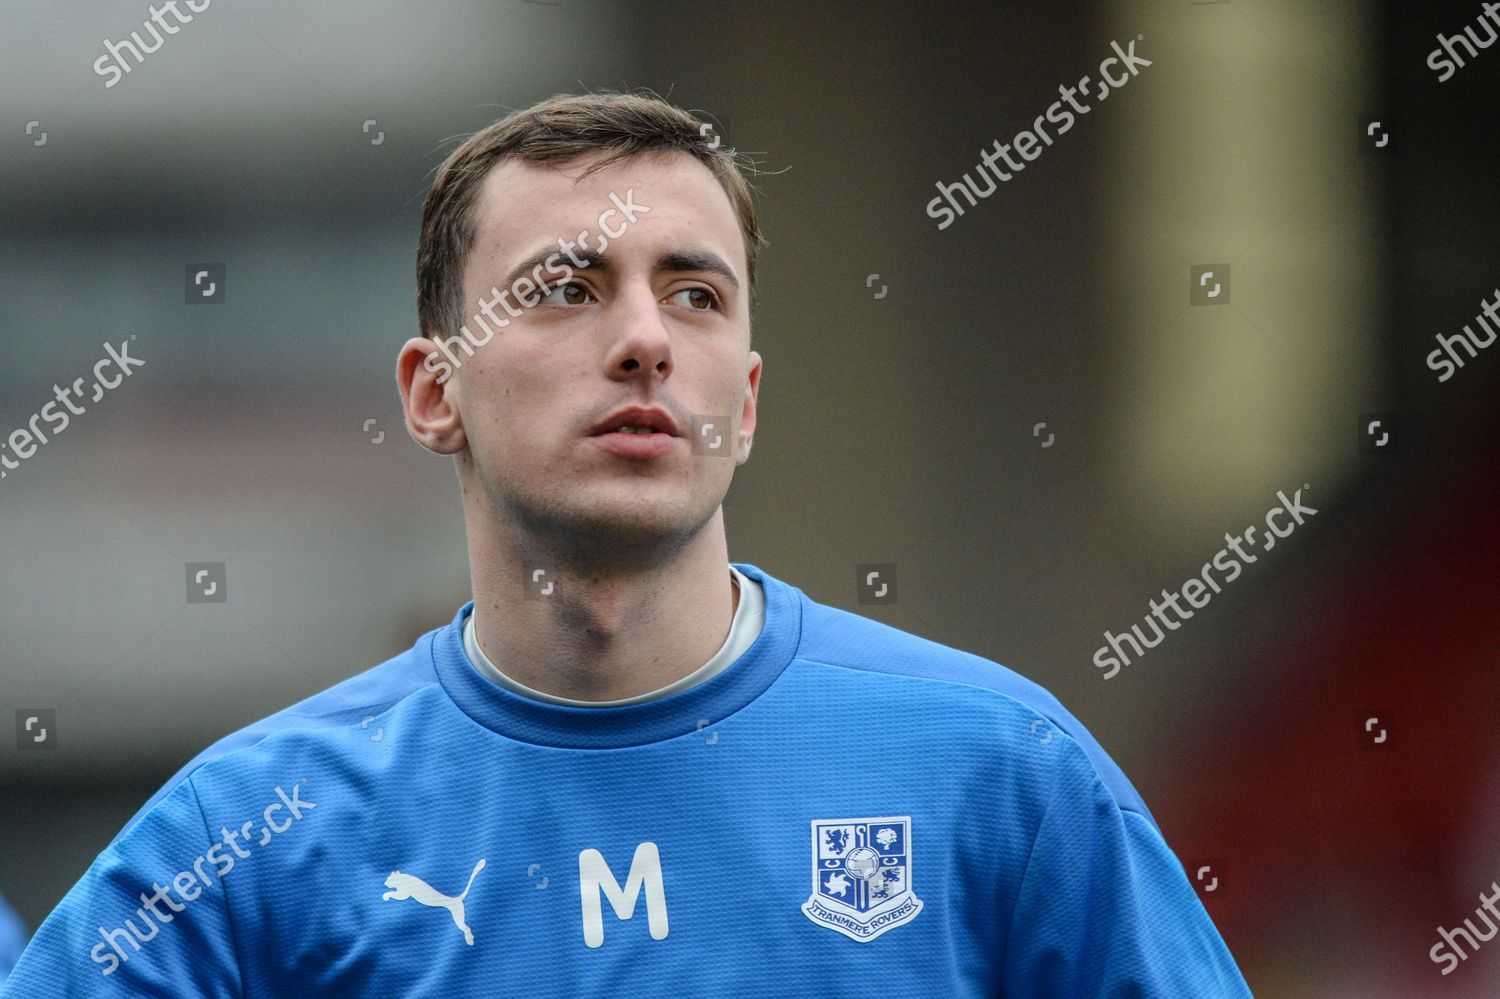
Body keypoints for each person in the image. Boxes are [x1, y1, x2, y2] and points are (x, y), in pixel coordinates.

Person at [0, 91, 1251, 996]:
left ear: (745, 402)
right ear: (433, 393)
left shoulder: (1002, 775)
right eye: (567, 288)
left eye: (695, 294)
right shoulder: (254, 831)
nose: (647, 338)